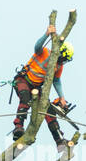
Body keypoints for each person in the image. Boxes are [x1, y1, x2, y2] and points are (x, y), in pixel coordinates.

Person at [11, 22, 74, 153]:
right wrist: (47, 34)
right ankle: (18, 127)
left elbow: (57, 81)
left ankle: (59, 140)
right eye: (63, 58)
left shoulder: (58, 66)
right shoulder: (44, 52)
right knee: (25, 97)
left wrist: (62, 98)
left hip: (36, 87)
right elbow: (37, 46)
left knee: (48, 110)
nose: (63, 62)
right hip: (23, 80)